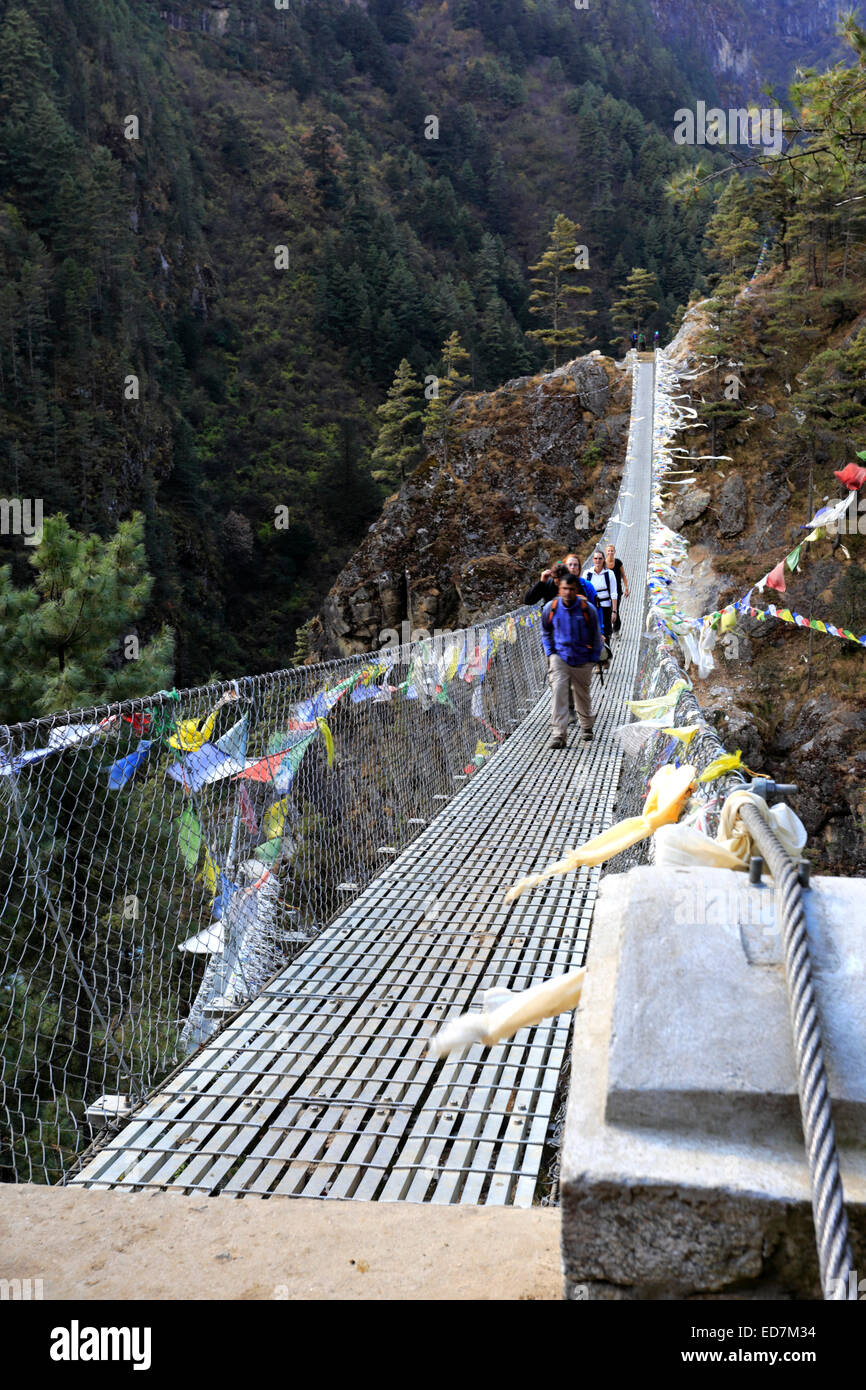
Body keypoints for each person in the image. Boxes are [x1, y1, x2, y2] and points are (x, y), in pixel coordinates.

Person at [541, 571, 602, 748]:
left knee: (582, 695)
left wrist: (593, 658)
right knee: (559, 692)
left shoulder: (587, 609)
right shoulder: (550, 608)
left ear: (576, 590)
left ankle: (586, 726)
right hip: (559, 657)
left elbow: (595, 635)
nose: (567, 592)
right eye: (564, 589)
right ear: (559, 589)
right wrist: (550, 653)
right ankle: (559, 735)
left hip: (583, 658)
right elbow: (545, 631)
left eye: (571, 589)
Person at [584, 548, 617, 641]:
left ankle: (606, 653)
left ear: (603, 560)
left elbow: (614, 593)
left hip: (605, 608)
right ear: (593, 560)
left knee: (606, 635)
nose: (598, 561)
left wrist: (614, 611)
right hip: (591, 608)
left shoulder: (609, 574)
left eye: (600, 558)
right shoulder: (587, 574)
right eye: (596, 558)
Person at [605, 542, 629, 633]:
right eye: (609, 551)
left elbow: (623, 575)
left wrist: (626, 588)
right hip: (607, 590)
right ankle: (608, 629)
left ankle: (616, 629)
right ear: (606, 552)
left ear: (614, 551)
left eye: (612, 550)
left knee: (615, 610)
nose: (610, 552)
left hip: (617, 590)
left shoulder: (618, 562)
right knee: (608, 610)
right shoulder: (603, 563)